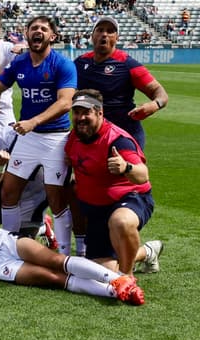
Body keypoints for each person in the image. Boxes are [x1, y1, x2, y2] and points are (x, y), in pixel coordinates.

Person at [0, 157, 146, 305]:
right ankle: (113, 293)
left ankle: (118, 279)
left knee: (56, 261)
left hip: (4, 243)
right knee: (52, 278)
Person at [0, 15, 77, 253]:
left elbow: (65, 103)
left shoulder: (62, 64)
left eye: (42, 28)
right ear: (26, 34)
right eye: (33, 28)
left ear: (52, 36)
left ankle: (65, 253)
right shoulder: (20, 63)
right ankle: (8, 248)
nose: (37, 31)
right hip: (28, 137)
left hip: (55, 138)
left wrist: (34, 122)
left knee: (56, 197)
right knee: (8, 192)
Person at [64, 89, 162, 277]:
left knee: (121, 222)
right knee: (103, 271)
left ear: (100, 113)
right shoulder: (74, 137)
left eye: (86, 113)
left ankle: (127, 277)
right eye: (76, 112)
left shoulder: (117, 140)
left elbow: (143, 175)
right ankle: (148, 252)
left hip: (131, 199)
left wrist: (126, 167)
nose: (80, 118)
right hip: (98, 210)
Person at [73, 16, 168, 149]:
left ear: (117, 37)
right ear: (92, 35)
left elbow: (159, 92)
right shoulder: (80, 63)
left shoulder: (127, 64)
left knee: (129, 170)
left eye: (110, 31)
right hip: (90, 134)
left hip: (123, 135)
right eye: (100, 30)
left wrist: (155, 104)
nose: (104, 34)